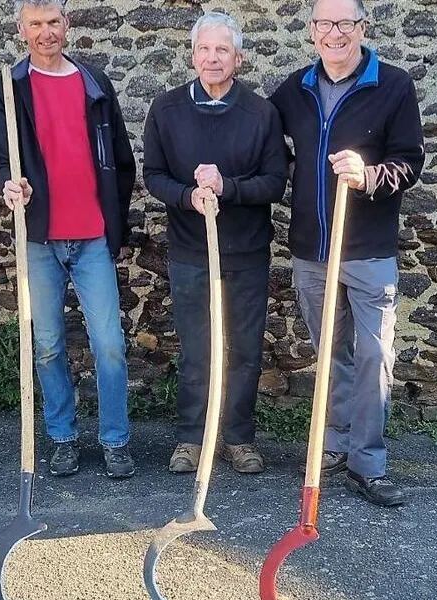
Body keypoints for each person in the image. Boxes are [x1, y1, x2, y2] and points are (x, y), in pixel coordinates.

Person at [270, 0, 425, 506]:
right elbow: (266, 146)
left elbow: (409, 161)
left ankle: (369, 462)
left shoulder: (393, 86)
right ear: (312, 30)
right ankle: (332, 446)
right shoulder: (294, 90)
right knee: (330, 353)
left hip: (367, 250)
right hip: (311, 250)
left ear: (362, 28)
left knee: (374, 356)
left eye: (345, 23)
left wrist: (369, 176)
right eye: (324, 23)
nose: (334, 32)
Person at [0, 0, 137, 479]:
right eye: (36, 24)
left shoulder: (95, 84)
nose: (45, 32)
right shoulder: (7, 89)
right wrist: (10, 182)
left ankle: (115, 440)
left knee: (109, 344)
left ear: (67, 25)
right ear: (21, 29)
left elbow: (121, 158)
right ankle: (62, 436)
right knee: (47, 344)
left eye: (53, 22)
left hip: (92, 236)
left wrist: (114, 217)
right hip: (40, 237)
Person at [143, 12, 288, 475]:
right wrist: (188, 196)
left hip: (245, 253)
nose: (212, 58)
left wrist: (227, 188)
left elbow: (274, 183)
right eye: (204, 50)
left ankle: (239, 437)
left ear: (238, 58)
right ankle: (192, 436)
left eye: (222, 50)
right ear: (192, 55)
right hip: (190, 252)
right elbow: (153, 176)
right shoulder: (166, 110)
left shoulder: (261, 113)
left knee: (244, 349)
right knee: (197, 348)